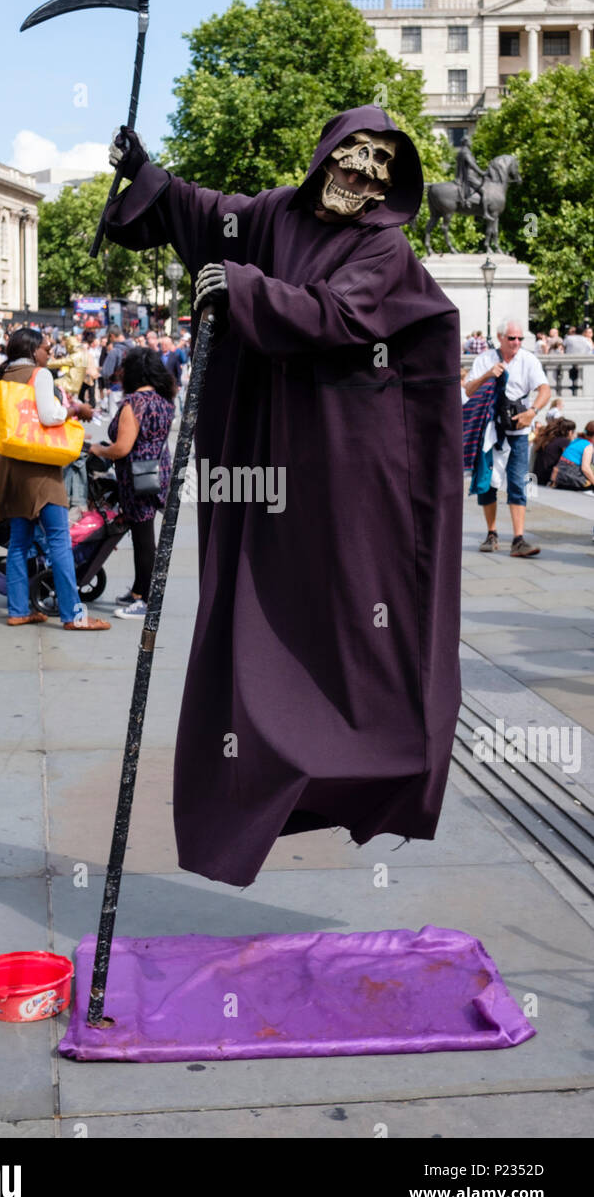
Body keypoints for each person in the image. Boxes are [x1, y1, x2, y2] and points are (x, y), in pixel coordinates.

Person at [102, 106, 463, 888]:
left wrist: (240, 288)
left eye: (376, 173)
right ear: (327, 156)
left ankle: (371, 760)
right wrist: (147, 173)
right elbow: (206, 211)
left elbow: (338, 315)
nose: (358, 180)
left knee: (340, 614)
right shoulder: (271, 214)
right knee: (247, 616)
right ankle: (255, 781)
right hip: (259, 450)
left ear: (388, 188)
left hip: (335, 461)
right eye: (350, 161)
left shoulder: (383, 247)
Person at [0, 327, 109, 630]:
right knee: (59, 541)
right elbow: (51, 416)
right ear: (31, 350)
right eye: (45, 347)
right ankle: (73, 615)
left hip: (8, 472)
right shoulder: (39, 375)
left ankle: (18, 610)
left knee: (18, 543)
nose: (49, 351)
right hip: (39, 468)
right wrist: (76, 409)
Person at [89, 347, 175, 618]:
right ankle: (139, 589)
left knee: (143, 537)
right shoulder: (162, 400)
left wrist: (99, 450)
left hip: (136, 477)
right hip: (156, 473)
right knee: (142, 532)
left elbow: (122, 448)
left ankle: (147, 600)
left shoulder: (134, 404)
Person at [465, 318, 551, 555]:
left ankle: (518, 539)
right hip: (490, 429)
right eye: (511, 338)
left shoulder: (528, 360)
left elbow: (545, 389)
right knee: (487, 483)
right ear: (501, 337)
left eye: (520, 338)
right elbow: (469, 389)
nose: (516, 343)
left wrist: (532, 412)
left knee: (518, 482)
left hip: (518, 429)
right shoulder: (485, 359)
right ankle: (491, 534)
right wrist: (487, 376)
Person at [532, 418, 576, 486]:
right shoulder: (564, 442)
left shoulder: (548, 439)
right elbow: (569, 461)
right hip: (548, 478)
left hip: (538, 475)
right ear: (570, 432)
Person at [553, 421, 594, 490]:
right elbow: (585, 468)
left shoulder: (576, 440)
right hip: (572, 479)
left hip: (560, 477)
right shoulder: (588, 446)